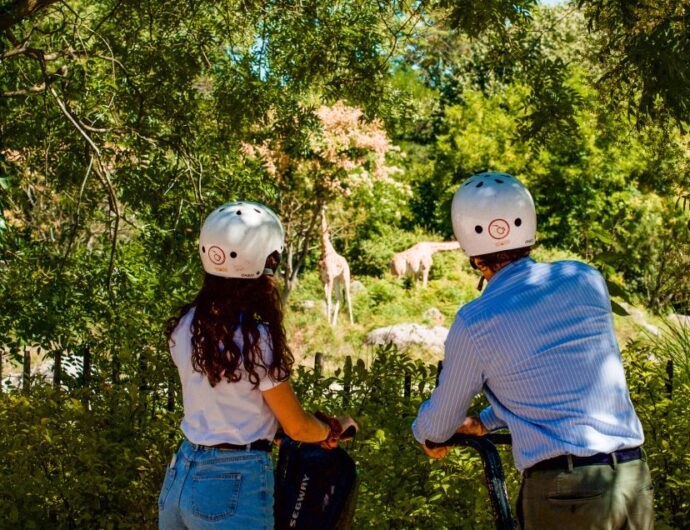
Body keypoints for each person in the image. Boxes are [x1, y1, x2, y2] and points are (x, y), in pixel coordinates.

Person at [412, 172, 653, 529]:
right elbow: (556, 375)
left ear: (471, 251)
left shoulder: (476, 321)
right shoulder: (586, 279)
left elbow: (439, 425)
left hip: (567, 494)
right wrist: (488, 421)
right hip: (631, 480)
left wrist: (426, 433)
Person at [158, 201, 357, 529]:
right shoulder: (255, 338)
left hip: (181, 474)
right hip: (233, 482)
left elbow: (229, 403)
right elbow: (297, 427)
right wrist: (330, 430)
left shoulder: (186, 326)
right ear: (265, 265)